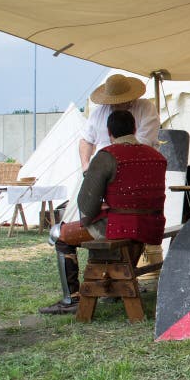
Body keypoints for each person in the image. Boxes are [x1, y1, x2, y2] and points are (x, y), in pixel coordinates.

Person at [39, 110, 167, 314]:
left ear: (109, 132)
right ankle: (112, 286)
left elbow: (86, 204)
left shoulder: (107, 156)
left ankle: (71, 299)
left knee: (59, 234)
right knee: (121, 233)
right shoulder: (156, 156)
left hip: (118, 226)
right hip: (151, 225)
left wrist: (95, 211)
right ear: (134, 129)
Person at [79, 74, 160, 171]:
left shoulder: (145, 107)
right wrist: (85, 166)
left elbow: (143, 143)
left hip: (138, 167)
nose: (118, 103)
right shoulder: (97, 113)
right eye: (115, 101)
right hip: (103, 169)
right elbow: (86, 140)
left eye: (122, 100)